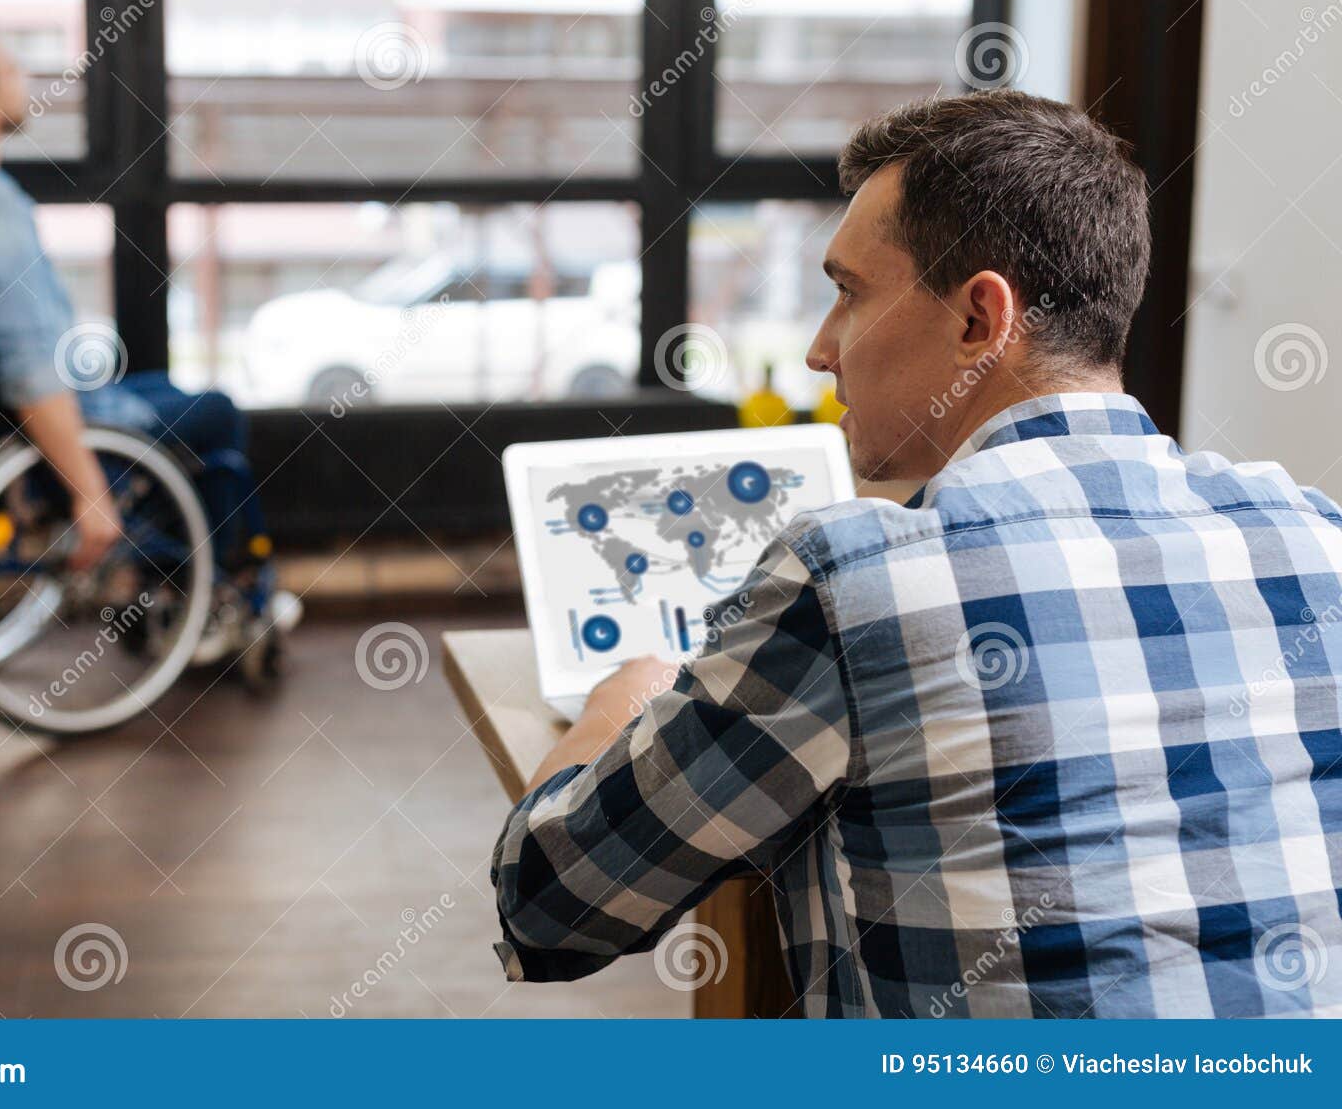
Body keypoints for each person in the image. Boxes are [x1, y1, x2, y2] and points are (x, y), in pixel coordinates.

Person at [491, 89, 1342, 1017]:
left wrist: (625, 696)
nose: (821, 349)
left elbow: (551, 904)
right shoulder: (1315, 535)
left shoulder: (859, 580)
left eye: (849, 293)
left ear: (979, 319)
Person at [0, 24, 296, 644]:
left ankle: (173, 590)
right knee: (216, 417)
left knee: (165, 389)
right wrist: (91, 495)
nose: (26, 82)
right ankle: (221, 595)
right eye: (11, 71)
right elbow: (30, 373)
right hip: (38, 423)